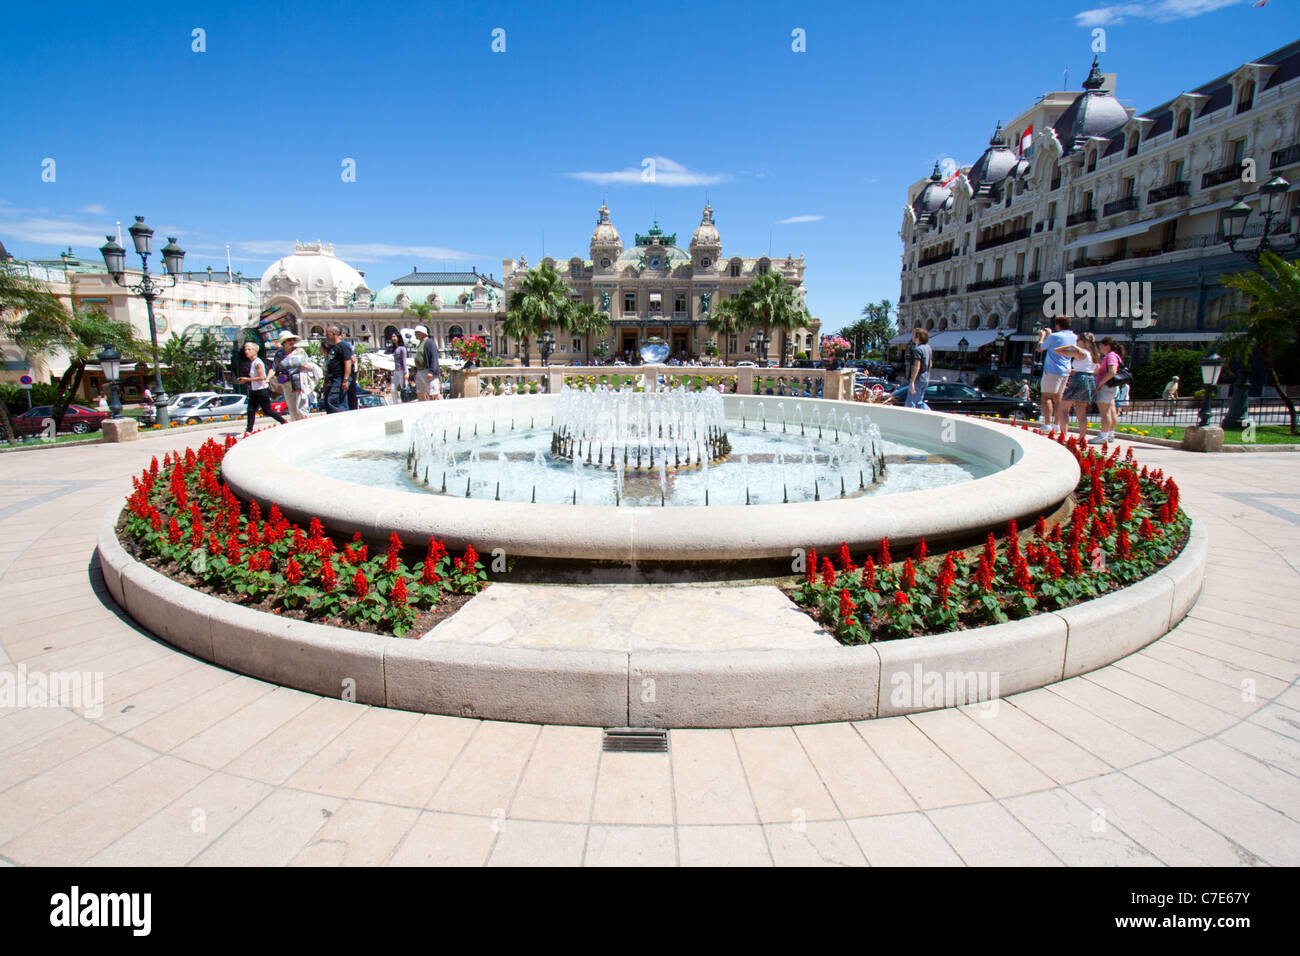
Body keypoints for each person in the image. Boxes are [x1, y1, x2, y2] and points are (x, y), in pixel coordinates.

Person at [1055, 331, 1098, 443]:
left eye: (1078, 340)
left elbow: (1058, 350)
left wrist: (1071, 346)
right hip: (1089, 380)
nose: (1077, 342)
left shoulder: (1081, 352)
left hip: (1079, 380)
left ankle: (1063, 435)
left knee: (1063, 408)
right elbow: (1094, 370)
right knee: (1081, 410)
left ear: (1083, 342)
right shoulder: (1094, 354)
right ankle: (1082, 437)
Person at [1037, 316, 1076, 436]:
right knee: (1058, 398)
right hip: (1065, 370)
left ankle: (1047, 424)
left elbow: (1040, 348)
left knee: (1047, 397)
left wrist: (1042, 336)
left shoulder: (1054, 336)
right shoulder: (1074, 337)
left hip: (1052, 370)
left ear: (1058, 325)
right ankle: (1056, 424)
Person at [237, 340, 287, 434]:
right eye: (245, 349)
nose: (247, 351)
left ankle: (283, 421)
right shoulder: (253, 362)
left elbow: (261, 377)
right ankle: (248, 430)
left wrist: (246, 379)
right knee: (250, 410)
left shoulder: (257, 362)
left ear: (255, 351)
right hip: (255, 390)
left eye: (249, 349)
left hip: (261, 390)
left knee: (267, 410)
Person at [272, 330, 314, 422]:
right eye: (289, 340)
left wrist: (300, 365)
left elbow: (309, 366)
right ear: (283, 342)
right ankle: (295, 424)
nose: (292, 342)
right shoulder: (279, 354)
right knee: (291, 406)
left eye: (293, 339)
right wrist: (267, 379)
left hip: (298, 380)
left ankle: (305, 422)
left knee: (301, 406)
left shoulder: (300, 351)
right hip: (286, 381)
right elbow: (274, 367)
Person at [1090, 337, 1124, 444]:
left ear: (1108, 345)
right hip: (1111, 387)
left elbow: (1112, 371)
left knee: (1105, 413)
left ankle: (1103, 435)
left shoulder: (1110, 356)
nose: (1100, 347)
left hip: (1106, 387)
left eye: (1102, 345)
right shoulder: (1114, 355)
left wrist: (1101, 382)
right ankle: (1110, 433)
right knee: (1111, 411)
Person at [323, 326, 354, 414]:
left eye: (327, 334)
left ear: (334, 334)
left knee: (333, 402)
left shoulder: (343, 346)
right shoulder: (332, 347)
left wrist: (345, 380)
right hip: (332, 379)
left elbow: (348, 362)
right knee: (338, 402)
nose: (326, 336)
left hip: (339, 378)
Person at [411, 325, 442, 401]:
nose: (415, 335)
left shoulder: (429, 342)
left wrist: (431, 371)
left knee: (434, 393)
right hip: (420, 371)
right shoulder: (421, 343)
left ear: (422, 333)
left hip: (427, 371)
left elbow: (434, 357)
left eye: (417, 333)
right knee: (420, 392)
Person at [905, 327, 932, 410]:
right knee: (919, 402)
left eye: (913, 335)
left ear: (918, 337)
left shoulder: (918, 349)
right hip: (926, 379)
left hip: (918, 379)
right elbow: (930, 364)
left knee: (910, 403)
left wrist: (912, 382)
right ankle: (929, 413)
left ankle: (909, 420)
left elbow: (917, 367)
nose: (912, 337)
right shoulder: (928, 348)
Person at [388, 331, 408, 405]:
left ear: (398, 337)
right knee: (393, 388)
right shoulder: (394, 349)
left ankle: (405, 403)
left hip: (402, 371)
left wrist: (405, 373)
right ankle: (396, 403)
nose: (393, 338)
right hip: (396, 371)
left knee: (404, 389)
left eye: (394, 336)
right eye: (392, 337)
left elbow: (404, 361)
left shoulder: (402, 348)